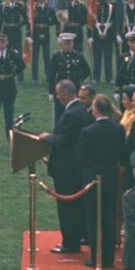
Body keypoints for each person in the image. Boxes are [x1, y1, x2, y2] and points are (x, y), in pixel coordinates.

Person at [42, 80, 91, 255]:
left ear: (67, 93)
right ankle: (78, 237)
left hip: (67, 169)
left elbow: (64, 140)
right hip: (75, 167)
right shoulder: (80, 110)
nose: (57, 97)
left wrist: (48, 138)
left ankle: (70, 243)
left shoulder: (71, 113)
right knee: (76, 207)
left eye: (58, 93)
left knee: (67, 208)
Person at [76, 93, 125, 270]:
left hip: (92, 177)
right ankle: (109, 257)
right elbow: (121, 153)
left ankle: (96, 256)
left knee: (93, 216)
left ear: (95, 110)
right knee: (109, 216)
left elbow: (81, 157)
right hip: (111, 176)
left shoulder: (88, 131)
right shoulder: (118, 129)